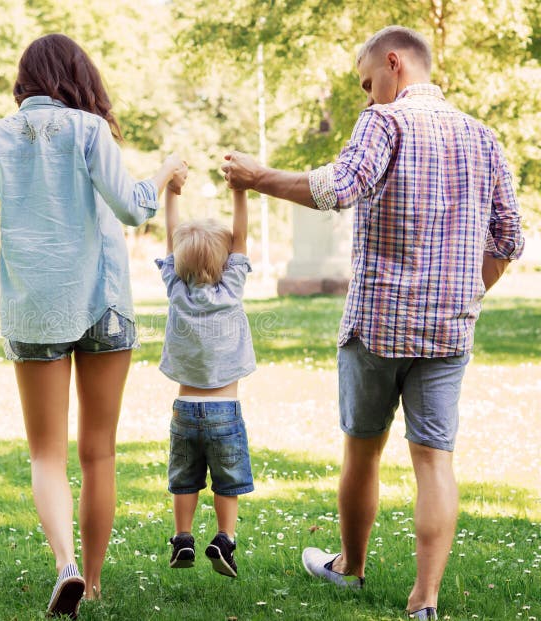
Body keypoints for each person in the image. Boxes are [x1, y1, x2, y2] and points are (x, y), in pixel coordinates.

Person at [221, 25, 524, 621]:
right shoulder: (484, 138)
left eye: (367, 82)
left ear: (394, 64)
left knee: (363, 453)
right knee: (434, 460)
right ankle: (424, 600)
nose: (366, 96)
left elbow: (340, 187)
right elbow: (509, 238)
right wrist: (466, 293)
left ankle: (350, 569)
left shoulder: (385, 122)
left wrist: (259, 179)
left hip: (378, 327)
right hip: (448, 333)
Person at [0, 33, 187, 618]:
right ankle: (90, 584)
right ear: (77, 77)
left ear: (24, 82)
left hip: (33, 310)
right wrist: (166, 171)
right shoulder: (90, 131)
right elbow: (133, 208)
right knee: (99, 454)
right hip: (104, 303)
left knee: (46, 455)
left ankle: (64, 563)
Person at [155, 179, 255, 579]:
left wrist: (173, 193)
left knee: (184, 480)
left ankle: (182, 538)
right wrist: (240, 192)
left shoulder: (175, 289)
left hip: (184, 411)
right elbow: (243, 235)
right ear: (226, 259)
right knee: (226, 483)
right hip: (225, 411)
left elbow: (169, 236)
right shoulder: (232, 287)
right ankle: (224, 539)